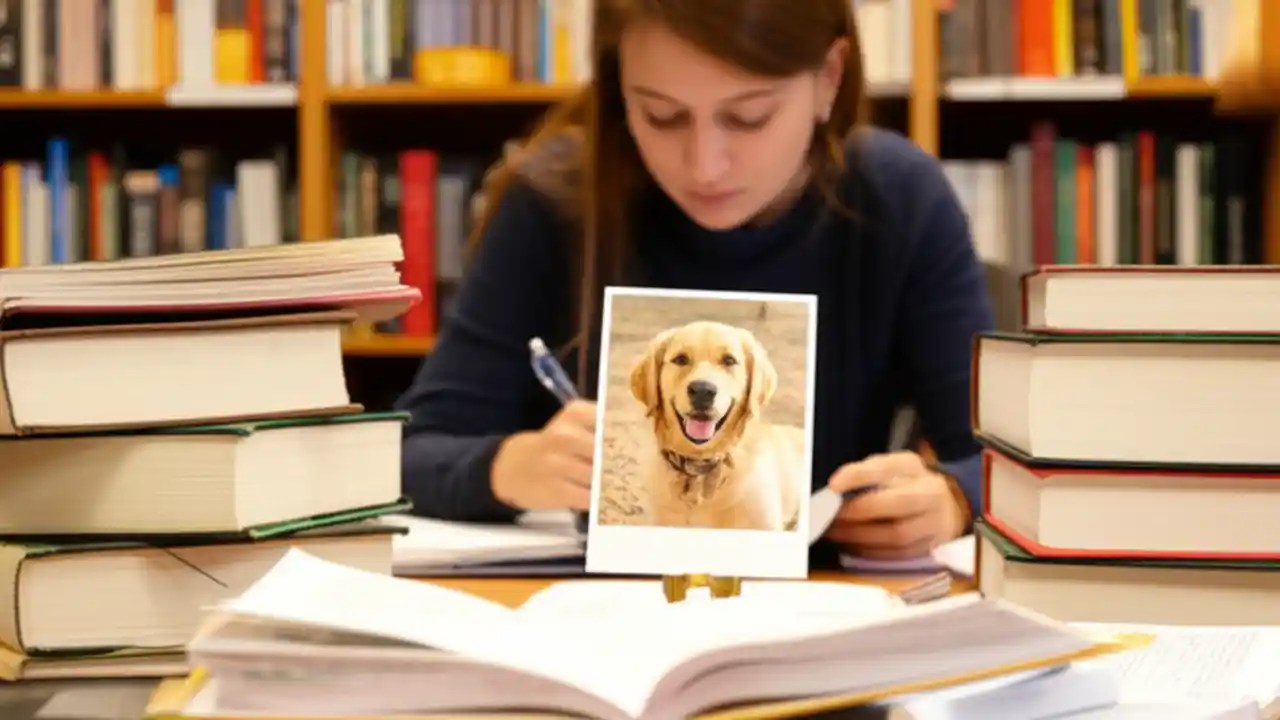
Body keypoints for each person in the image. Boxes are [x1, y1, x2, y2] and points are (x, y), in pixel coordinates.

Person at [393, 0, 995, 562]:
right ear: (617, 87)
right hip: (595, 613)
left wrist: (954, 498)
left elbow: (1008, 461)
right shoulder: (552, 201)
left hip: (830, 607)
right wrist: (506, 467)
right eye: (662, 115)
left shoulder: (898, 198)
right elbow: (404, 456)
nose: (704, 165)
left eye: (749, 117)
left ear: (829, 78)